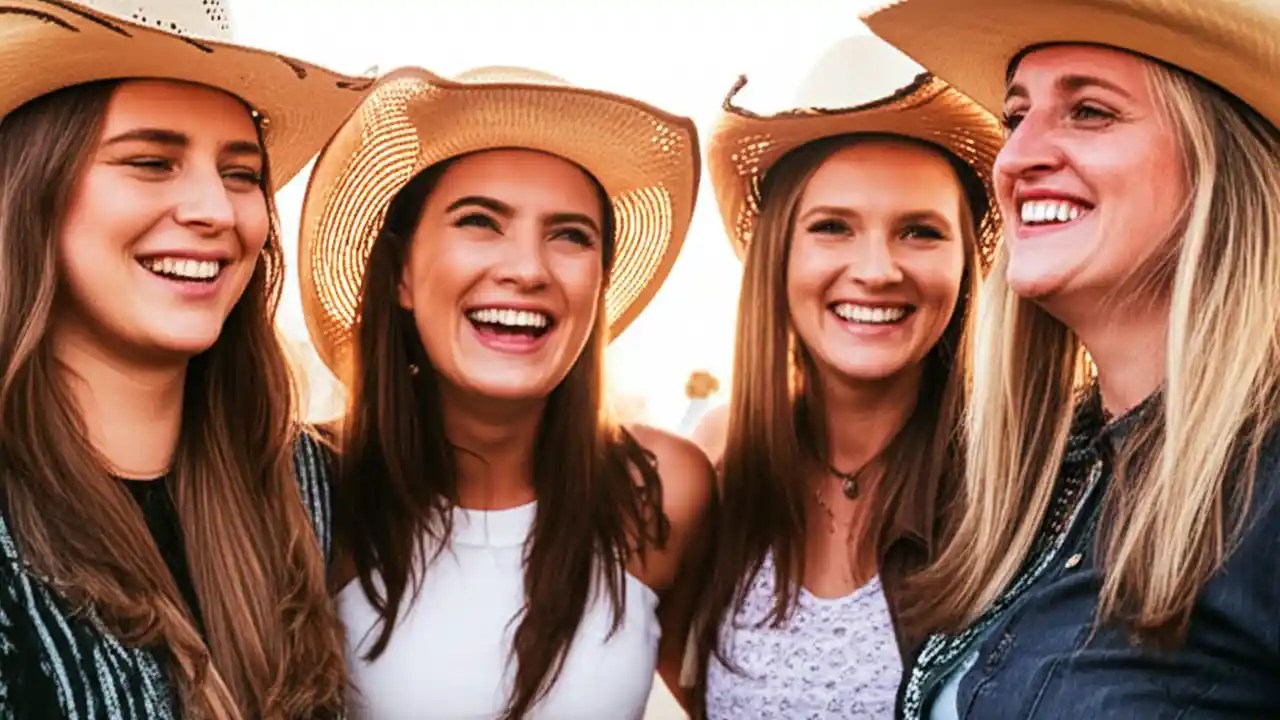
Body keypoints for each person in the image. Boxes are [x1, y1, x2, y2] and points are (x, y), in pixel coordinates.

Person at [863, 0, 1280, 716]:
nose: (1016, 158)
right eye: (1015, 117)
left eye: (1089, 111)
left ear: (1223, 160)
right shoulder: (1042, 475)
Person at [297, 65, 715, 719]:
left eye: (571, 236)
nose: (526, 269)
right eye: (480, 222)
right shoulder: (310, 493)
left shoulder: (662, 491)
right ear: (402, 273)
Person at [0, 0, 373, 717]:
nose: (216, 210)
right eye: (150, 162)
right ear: (34, 191)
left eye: (241, 174)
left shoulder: (312, 486)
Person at [690, 36, 1002, 718]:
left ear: (965, 265)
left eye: (919, 231)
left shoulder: (1023, 484)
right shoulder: (717, 474)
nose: (877, 269)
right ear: (778, 252)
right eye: (833, 227)